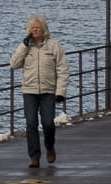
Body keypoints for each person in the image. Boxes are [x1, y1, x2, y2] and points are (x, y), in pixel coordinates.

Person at [10, 14, 69, 168]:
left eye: (37, 28)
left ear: (44, 30)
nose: (34, 30)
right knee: (31, 123)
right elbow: (14, 64)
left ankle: (49, 146)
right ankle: (34, 157)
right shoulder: (25, 46)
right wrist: (23, 47)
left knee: (48, 123)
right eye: (32, 28)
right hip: (29, 90)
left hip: (48, 90)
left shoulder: (54, 46)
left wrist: (60, 92)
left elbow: (62, 69)